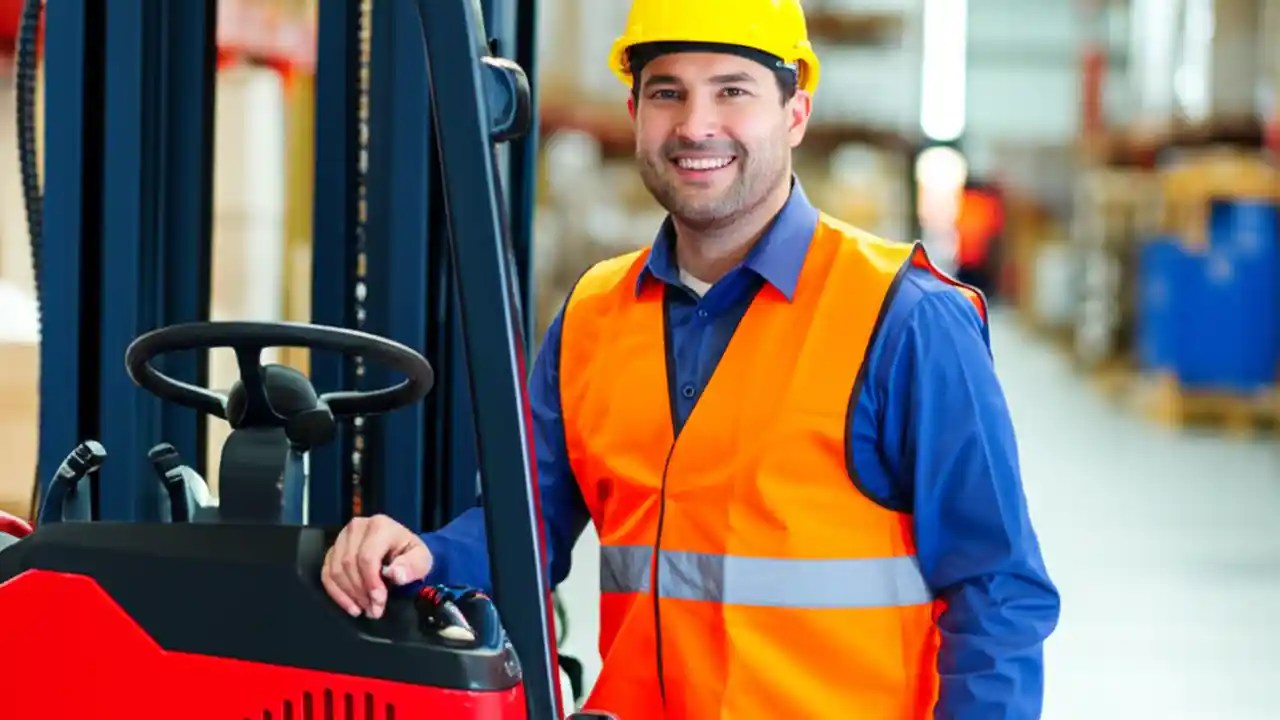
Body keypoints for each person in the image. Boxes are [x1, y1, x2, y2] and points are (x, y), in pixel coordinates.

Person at [321, 0, 1060, 717]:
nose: (696, 125)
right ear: (637, 113)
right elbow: (525, 529)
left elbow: (997, 592)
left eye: (731, 92)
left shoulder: (904, 320)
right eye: (667, 93)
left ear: (794, 113)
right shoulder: (593, 313)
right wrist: (422, 556)